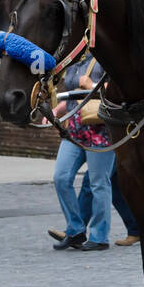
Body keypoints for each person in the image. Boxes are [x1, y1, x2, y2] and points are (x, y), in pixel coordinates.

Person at [48, 58, 114, 251]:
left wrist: (92, 85)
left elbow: (120, 91)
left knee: (99, 184)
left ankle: (99, 236)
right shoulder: (72, 62)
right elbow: (75, 96)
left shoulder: (103, 56)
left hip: (100, 131)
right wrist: (58, 110)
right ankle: (75, 229)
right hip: (75, 131)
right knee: (61, 177)